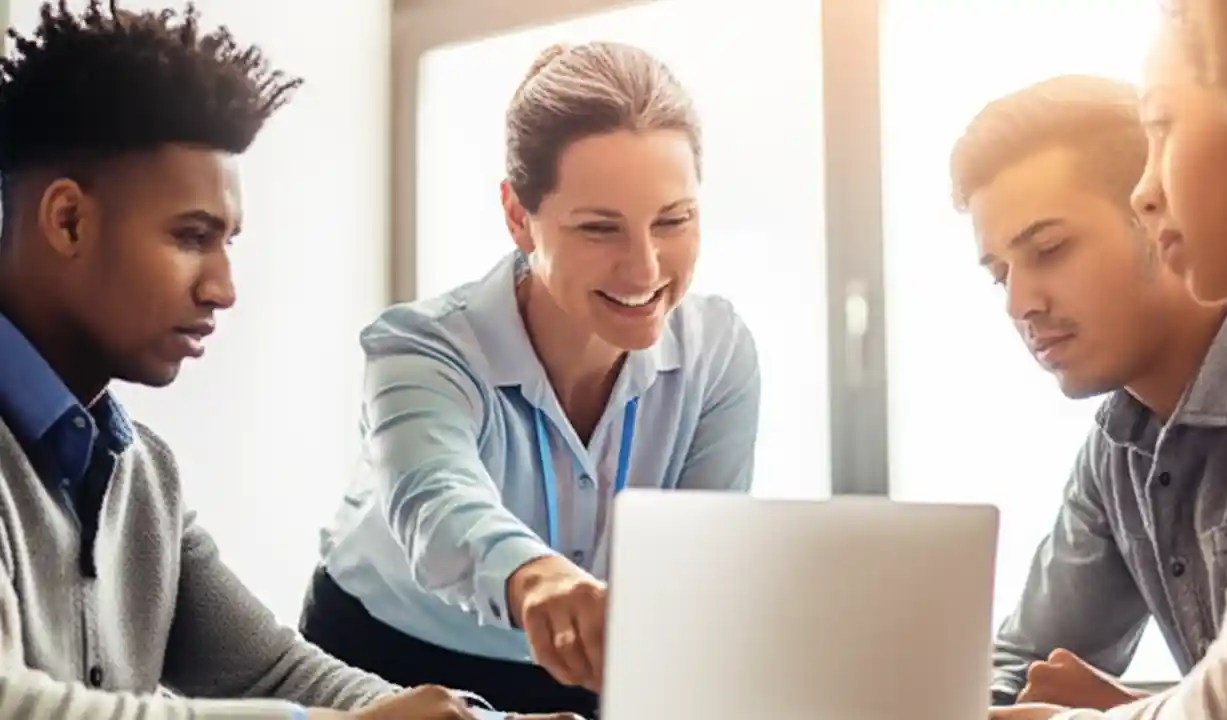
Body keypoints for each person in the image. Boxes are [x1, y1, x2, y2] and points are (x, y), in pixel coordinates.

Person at [0, 3, 577, 719]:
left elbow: (268, 671)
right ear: (68, 220)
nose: (222, 288)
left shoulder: (141, 474)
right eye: (191, 236)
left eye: (227, 243)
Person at [298, 40, 761, 717]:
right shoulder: (420, 348)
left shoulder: (719, 353)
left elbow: (702, 555)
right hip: (386, 656)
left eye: (674, 221)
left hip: (597, 659)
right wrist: (534, 576)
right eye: (600, 229)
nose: (645, 269)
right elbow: (435, 500)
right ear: (519, 216)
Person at [990, 1, 1227, 718]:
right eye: (999, 274)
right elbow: (1024, 664)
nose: (1019, 303)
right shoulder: (1121, 444)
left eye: (1049, 250)